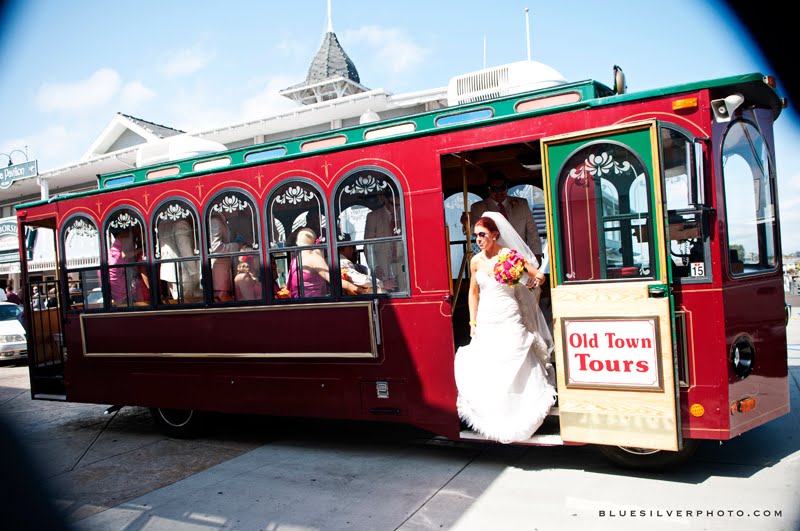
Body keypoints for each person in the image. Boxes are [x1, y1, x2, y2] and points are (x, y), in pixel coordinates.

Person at [454, 212, 556, 443]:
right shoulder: (476, 260)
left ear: (495, 234)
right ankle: (493, 414)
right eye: (475, 236)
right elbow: (473, 293)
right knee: (490, 364)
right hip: (487, 316)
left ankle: (522, 410)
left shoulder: (509, 256)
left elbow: (538, 274)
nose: (478, 240)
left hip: (509, 313)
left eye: (483, 235)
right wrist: (473, 321)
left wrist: (535, 280)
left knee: (514, 357)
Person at [466, 172, 543, 262]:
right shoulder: (478, 208)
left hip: (520, 255)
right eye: (494, 189)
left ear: (507, 187)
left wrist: (537, 253)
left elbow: (532, 231)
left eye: (502, 188)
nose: (499, 192)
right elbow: (475, 232)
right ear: (488, 189)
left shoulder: (521, 204)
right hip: (493, 258)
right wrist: (466, 224)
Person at [363, 193, 402, 292]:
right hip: (383, 268)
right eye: (393, 204)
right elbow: (368, 246)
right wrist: (375, 266)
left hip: (401, 267)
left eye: (399, 205)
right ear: (385, 200)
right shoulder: (373, 216)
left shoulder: (403, 214)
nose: (396, 208)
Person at [159, 218, 202, 302]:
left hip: (169, 272)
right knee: (186, 304)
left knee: (178, 303)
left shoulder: (162, 222)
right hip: (183, 273)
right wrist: (195, 274)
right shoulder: (181, 223)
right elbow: (185, 252)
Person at [108, 227, 150, 306]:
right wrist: (142, 249)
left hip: (118, 268)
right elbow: (125, 254)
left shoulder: (128, 236)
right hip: (116, 269)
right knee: (121, 297)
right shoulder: (127, 235)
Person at [209, 212, 242, 301]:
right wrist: (237, 246)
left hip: (224, 270)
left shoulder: (222, 221)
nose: (237, 210)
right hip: (220, 272)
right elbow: (216, 247)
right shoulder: (215, 221)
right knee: (221, 300)